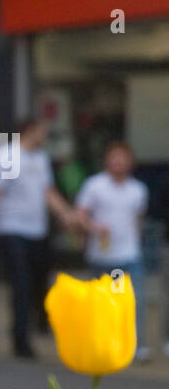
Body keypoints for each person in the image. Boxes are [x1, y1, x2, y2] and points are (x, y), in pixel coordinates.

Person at [0, 118, 79, 360]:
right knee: (21, 285)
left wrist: (66, 214)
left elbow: (48, 192)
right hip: (12, 230)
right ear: (30, 131)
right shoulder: (8, 156)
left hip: (37, 231)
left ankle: (42, 324)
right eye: (43, 131)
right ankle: (21, 339)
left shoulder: (40, 159)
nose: (45, 136)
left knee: (40, 283)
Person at [74, 140, 150, 361]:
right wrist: (92, 228)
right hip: (101, 257)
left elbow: (137, 220)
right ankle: (100, 345)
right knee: (101, 304)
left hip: (129, 256)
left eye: (122, 157)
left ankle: (135, 346)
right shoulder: (94, 185)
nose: (117, 161)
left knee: (133, 301)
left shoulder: (138, 190)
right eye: (113, 156)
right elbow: (81, 214)